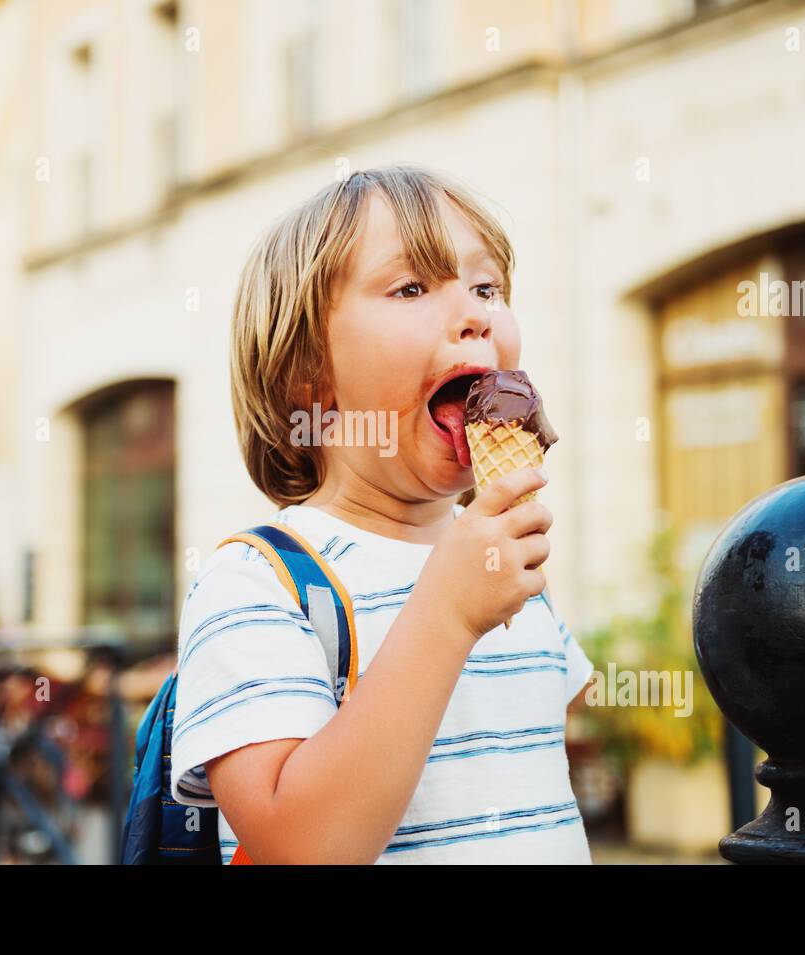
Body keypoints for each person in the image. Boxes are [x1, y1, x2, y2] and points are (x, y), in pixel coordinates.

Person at [170, 165, 594, 863]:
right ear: (309, 375)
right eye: (411, 287)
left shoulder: (505, 564)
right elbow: (294, 845)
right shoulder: (258, 581)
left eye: (487, 287)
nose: (477, 312)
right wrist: (447, 615)